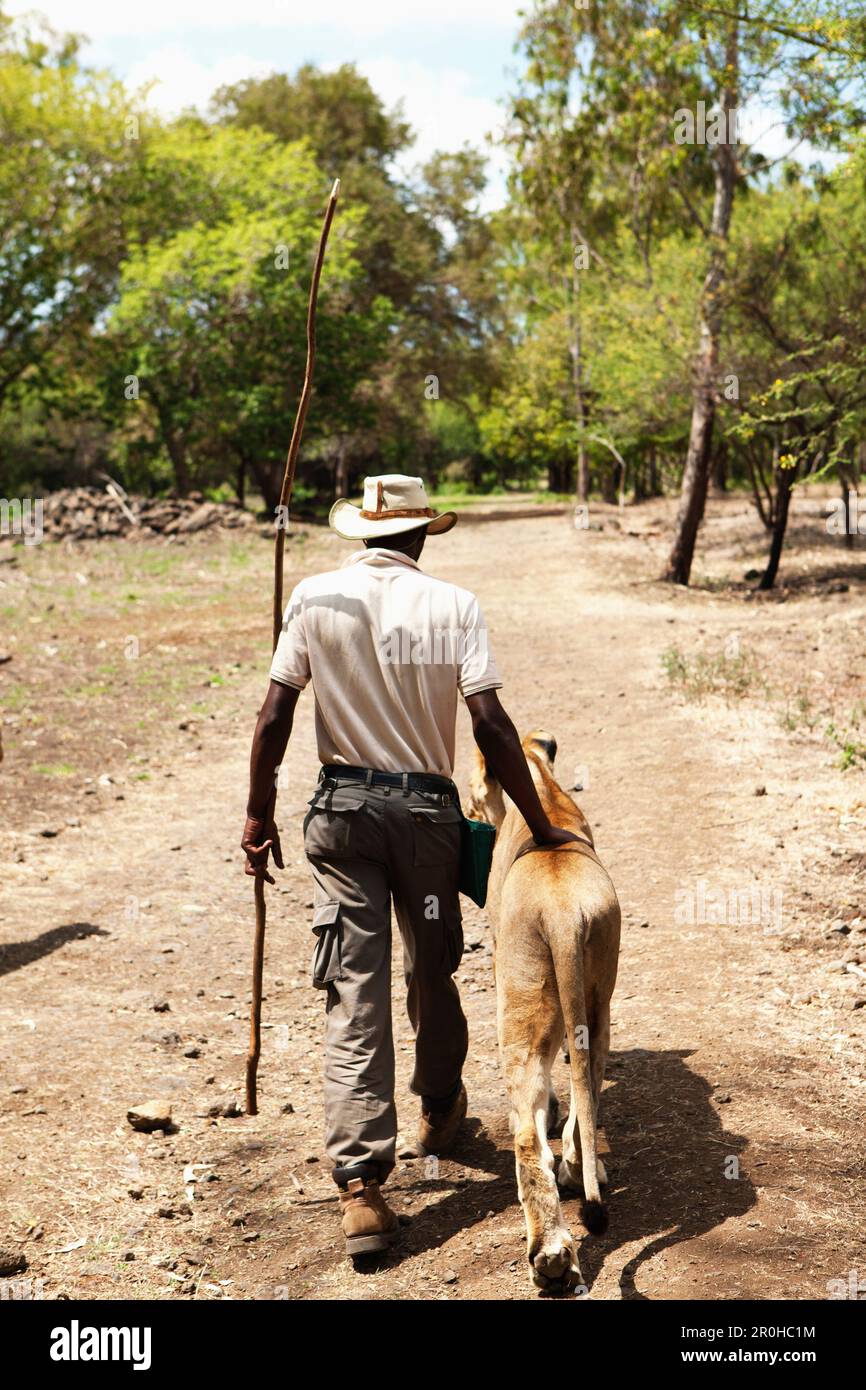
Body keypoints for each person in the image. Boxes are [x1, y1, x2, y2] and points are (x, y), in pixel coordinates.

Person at [242, 474, 577, 1256]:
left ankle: (361, 1184)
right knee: (431, 965)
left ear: (362, 533)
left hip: (342, 817)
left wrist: (257, 814)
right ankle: (438, 1103)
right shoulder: (453, 605)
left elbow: (273, 716)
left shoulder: (314, 598)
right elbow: (491, 724)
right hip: (426, 819)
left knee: (352, 987)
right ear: (423, 535)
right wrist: (539, 825)